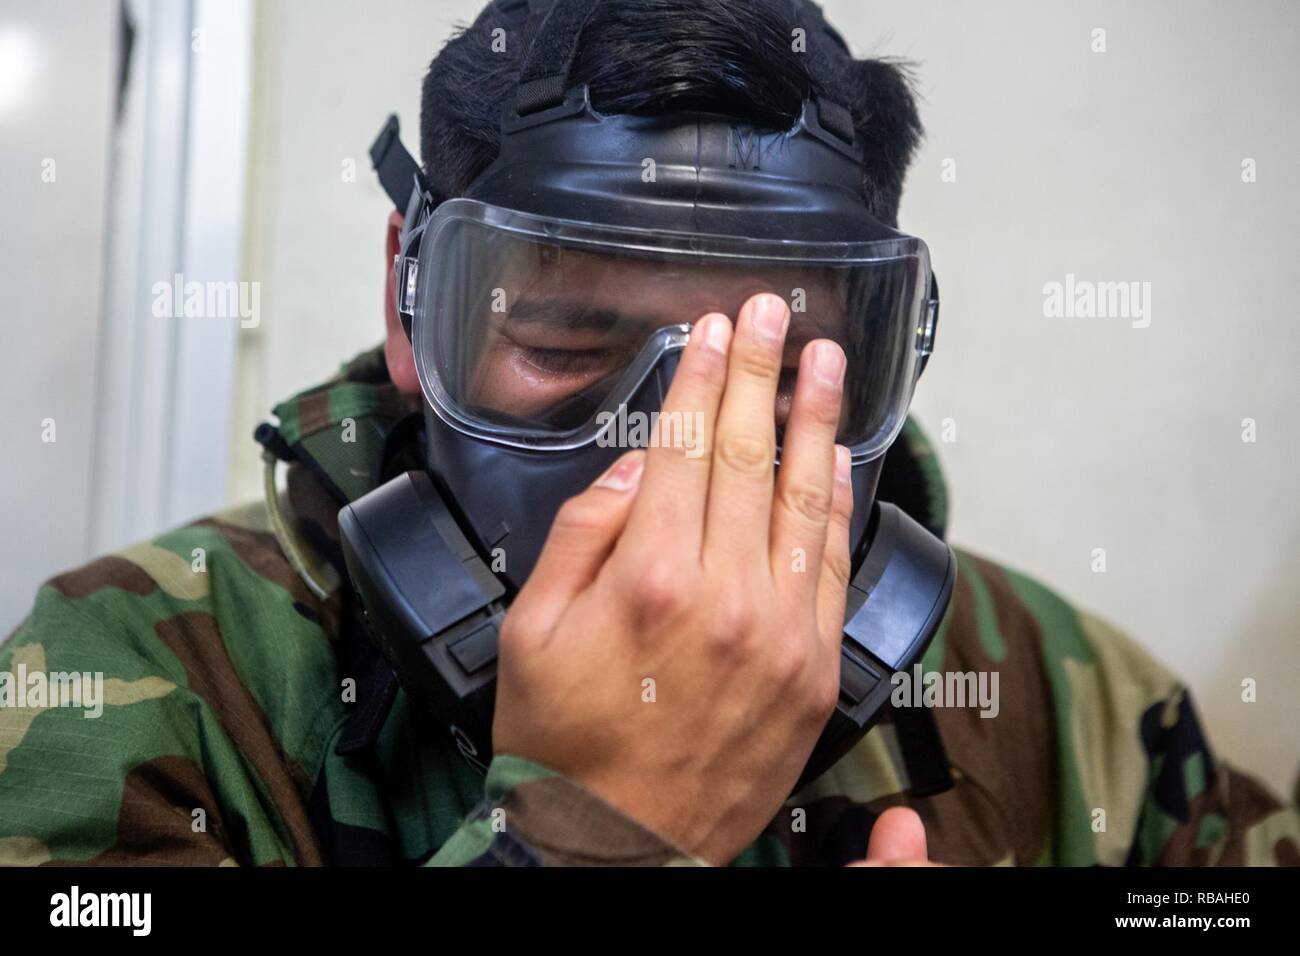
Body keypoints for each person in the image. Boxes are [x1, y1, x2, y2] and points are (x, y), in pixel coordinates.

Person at [1, 0, 1295, 868]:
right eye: (567, 342)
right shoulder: (134, 681)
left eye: (772, 363)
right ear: (408, 299)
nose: (674, 444)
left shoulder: (1077, 713)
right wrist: (593, 833)